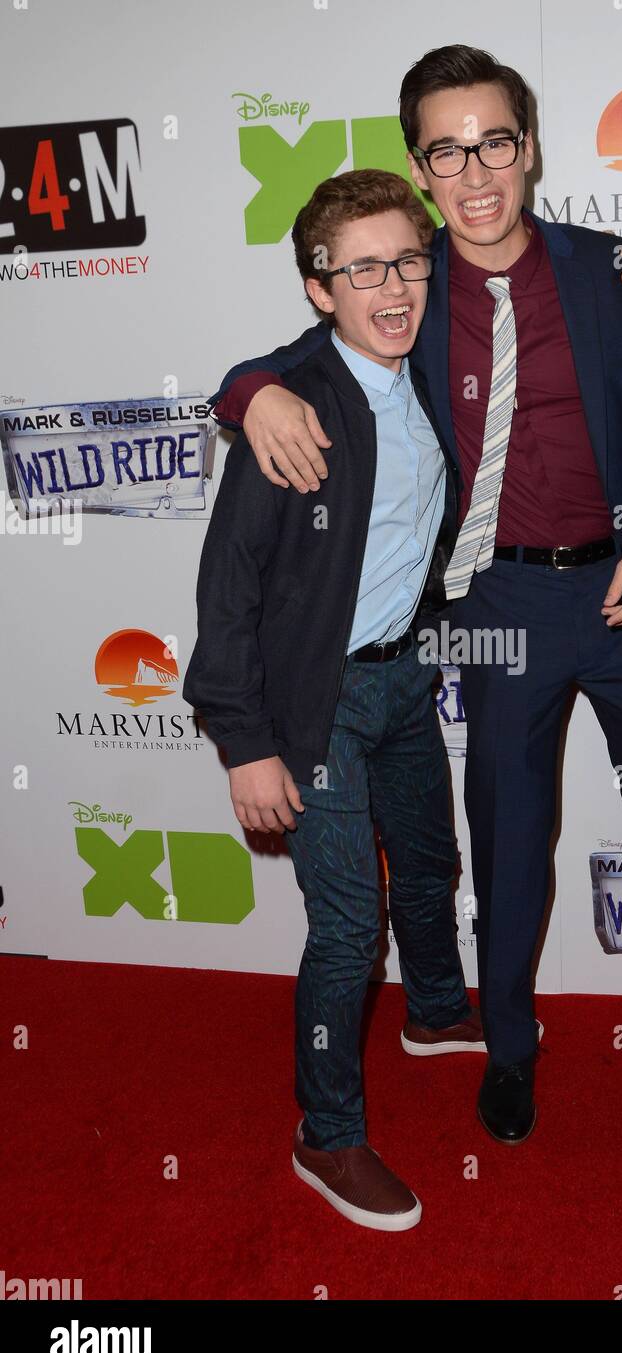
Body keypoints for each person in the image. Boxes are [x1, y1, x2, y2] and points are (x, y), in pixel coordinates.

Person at [210, 45, 622, 1152]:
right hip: (498, 604)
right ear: (421, 166)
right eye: (446, 149)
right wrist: (252, 393)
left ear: (529, 146)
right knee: (508, 840)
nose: (475, 171)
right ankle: (508, 1046)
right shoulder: (406, 292)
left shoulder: (612, 273)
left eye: (494, 140)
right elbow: (285, 365)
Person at [183, 168, 489, 1232]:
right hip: (313, 704)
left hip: (406, 674)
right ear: (320, 289)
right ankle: (326, 1133)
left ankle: (437, 1014)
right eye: (361, 269)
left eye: (406, 259)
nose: (391, 286)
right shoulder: (292, 409)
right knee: (350, 926)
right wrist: (244, 743)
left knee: (432, 858)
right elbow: (227, 592)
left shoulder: (438, 366)